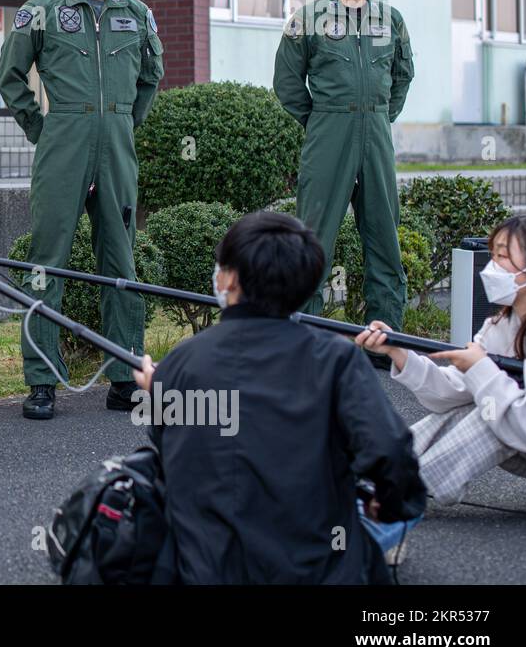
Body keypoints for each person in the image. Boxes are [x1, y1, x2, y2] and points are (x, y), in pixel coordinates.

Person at [132, 211, 426, 583]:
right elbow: (389, 450)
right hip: (317, 568)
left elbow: (175, 449)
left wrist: (161, 392)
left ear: (231, 280)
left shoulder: (183, 362)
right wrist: (393, 502)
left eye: (220, 267)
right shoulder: (336, 358)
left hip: (205, 569)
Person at [0, 0, 163, 419]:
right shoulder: (41, 10)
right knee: (47, 263)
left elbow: (150, 77)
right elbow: (10, 76)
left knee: (122, 263)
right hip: (61, 144)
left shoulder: (135, 14)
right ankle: (42, 379)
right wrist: (43, 132)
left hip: (115, 146)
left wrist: (122, 125)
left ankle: (123, 375)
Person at [274, 0, 415, 329]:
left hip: (376, 135)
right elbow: (286, 83)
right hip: (328, 136)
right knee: (313, 238)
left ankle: (386, 336)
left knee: (384, 238)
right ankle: (306, 334)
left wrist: (380, 116)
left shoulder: (391, 19)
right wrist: (321, 119)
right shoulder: (309, 17)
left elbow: (403, 75)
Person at [357, 214, 526, 511]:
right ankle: (376, 476)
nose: (492, 266)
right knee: (488, 403)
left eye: (503, 256)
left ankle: (392, 495)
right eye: (492, 254)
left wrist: (481, 370)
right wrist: (398, 352)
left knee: (492, 412)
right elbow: (450, 393)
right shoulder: (503, 323)